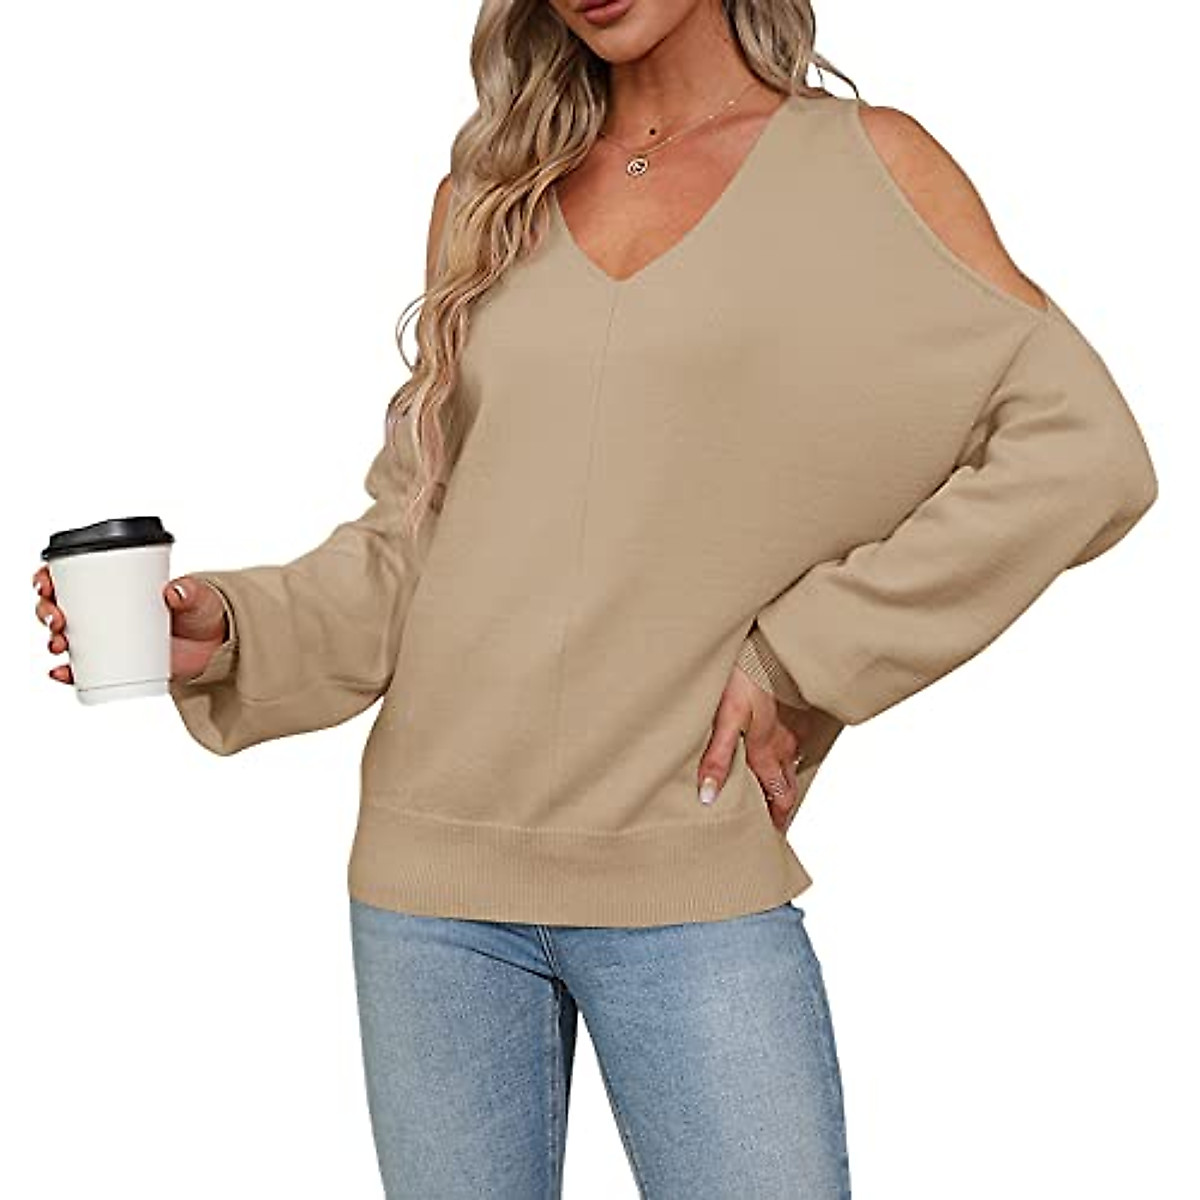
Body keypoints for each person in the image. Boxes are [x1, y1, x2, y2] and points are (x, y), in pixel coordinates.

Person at [33, 2, 1158, 1196]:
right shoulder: (491, 194)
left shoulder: (870, 167)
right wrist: (232, 629)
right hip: (431, 884)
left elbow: (1082, 453)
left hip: (680, 852)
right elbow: (415, 541)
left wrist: (805, 657)